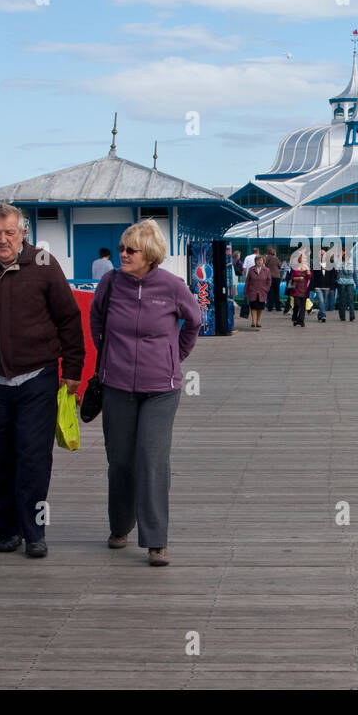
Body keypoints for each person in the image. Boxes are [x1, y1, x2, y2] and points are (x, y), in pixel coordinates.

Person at [0, 203, 85, 558]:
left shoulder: (44, 266)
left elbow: (69, 319)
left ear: (23, 232)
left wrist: (72, 370)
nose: (3, 240)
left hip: (37, 378)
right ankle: (5, 532)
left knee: (33, 458)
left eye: (10, 233)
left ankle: (33, 532)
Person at [91, 219, 200, 567]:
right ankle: (120, 525)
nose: (123, 254)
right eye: (122, 248)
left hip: (160, 388)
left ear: (149, 254)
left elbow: (194, 321)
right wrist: (110, 357)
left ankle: (155, 540)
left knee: (152, 459)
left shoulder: (172, 286)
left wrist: (176, 356)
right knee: (120, 460)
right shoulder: (110, 284)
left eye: (130, 250)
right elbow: (96, 322)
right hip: (117, 384)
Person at [244, 253, 273, 329]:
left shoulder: (266, 270)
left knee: (260, 307)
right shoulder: (251, 269)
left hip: (262, 291)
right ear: (255, 261)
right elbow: (247, 281)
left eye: (261, 260)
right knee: (253, 306)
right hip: (252, 291)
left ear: (263, 261)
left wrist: (266, 289)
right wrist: (246, 290)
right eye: (258, 260)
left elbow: (269, 281)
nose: (259, 262)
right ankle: (253, 321)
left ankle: (258, 321)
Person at [287, 252, 312, 327]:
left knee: (303, 307)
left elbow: (309, 277)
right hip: (296, 290)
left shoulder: (307, 267)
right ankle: (295, 317)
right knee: (297, 305)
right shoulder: (295, 267)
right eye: (303, 258)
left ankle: (301, 321)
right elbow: (290, 278)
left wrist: (308, 273)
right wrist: (297, 278)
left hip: (304, 289)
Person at [336, 247, 356, 321]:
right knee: (342, 300)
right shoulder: (339, 262)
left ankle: (352, 315)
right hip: (342, 283)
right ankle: (342, 316)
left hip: (350, 282)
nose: (347, 257)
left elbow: (352, 273)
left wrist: (356, 283)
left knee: (350, 299)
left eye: (348, 255)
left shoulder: (351, 263)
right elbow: (337, 268)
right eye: (346, 255)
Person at [264, 247, 282, 312]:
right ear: (274, 253)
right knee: (276, 292)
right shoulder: (276, 258)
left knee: (270, 292)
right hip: (277, 277)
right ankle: (278, 307)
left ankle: (270, 307)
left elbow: (265, 266)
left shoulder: (266, 258)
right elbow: (280, 266)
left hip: (269, 277)